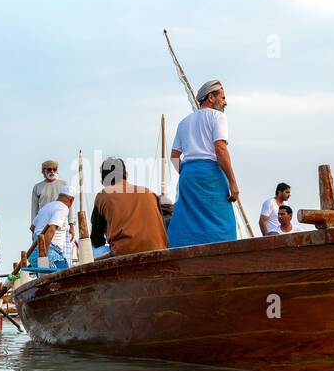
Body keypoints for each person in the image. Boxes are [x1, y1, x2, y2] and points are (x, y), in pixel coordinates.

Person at [167, 79, 241, 248]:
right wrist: (233, 183)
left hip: (188, 174)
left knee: (188, 222)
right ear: (210, 97)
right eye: (222, 98)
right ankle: (222, 259)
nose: (225, 102)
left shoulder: (184, 122)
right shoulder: (218, 117)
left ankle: (185, 258)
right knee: (223, 223)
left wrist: (187, 173)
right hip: (211, 174)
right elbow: (220, 150)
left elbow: (174, 156)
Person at [90, 157, 168, 258]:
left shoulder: (103, 195)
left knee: (93, 252)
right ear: (126, 175)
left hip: (124, 254)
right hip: (159, 251)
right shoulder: (149, 192)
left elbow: (96, 239)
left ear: (103, 180)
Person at [31, 185, 75, 270]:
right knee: (67, 277)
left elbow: (33, 227)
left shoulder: (46, 207)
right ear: (71, 200)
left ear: (59, 196)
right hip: (50, 254)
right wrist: (45, 256)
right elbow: (51, 229)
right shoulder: (63, 208)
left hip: (34, 254)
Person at [30, 159, 65, 229]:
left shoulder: (64, 185)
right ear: (43, 172)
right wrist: (33, 225)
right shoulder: (37, 187)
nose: (52, 171)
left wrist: (71, 224)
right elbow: (34, 209)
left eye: (54, 169)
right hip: (43, 224)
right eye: (49, 169)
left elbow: (69, 205)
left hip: (61, 224)